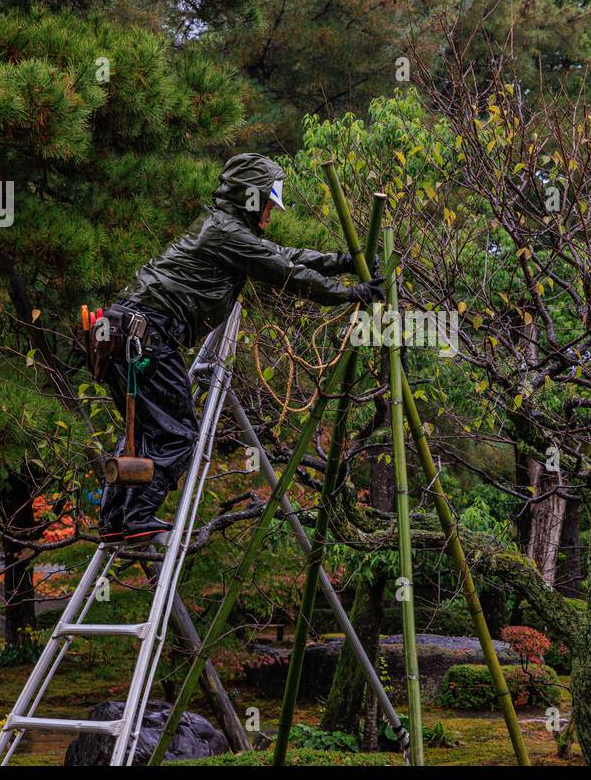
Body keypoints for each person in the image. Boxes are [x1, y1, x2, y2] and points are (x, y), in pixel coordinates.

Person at [96, 153, 382, 541]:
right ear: (250, 198)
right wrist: (350, 296)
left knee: (148, 429)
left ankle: (116, 521)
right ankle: (135, 519)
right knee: (178, 432)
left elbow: (283, 256)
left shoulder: (225, 228)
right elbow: (286, 272)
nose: (269, 214)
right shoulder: (227, 233)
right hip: (146, 336)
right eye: (266, 204)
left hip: (122, 333)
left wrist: (341, 263)